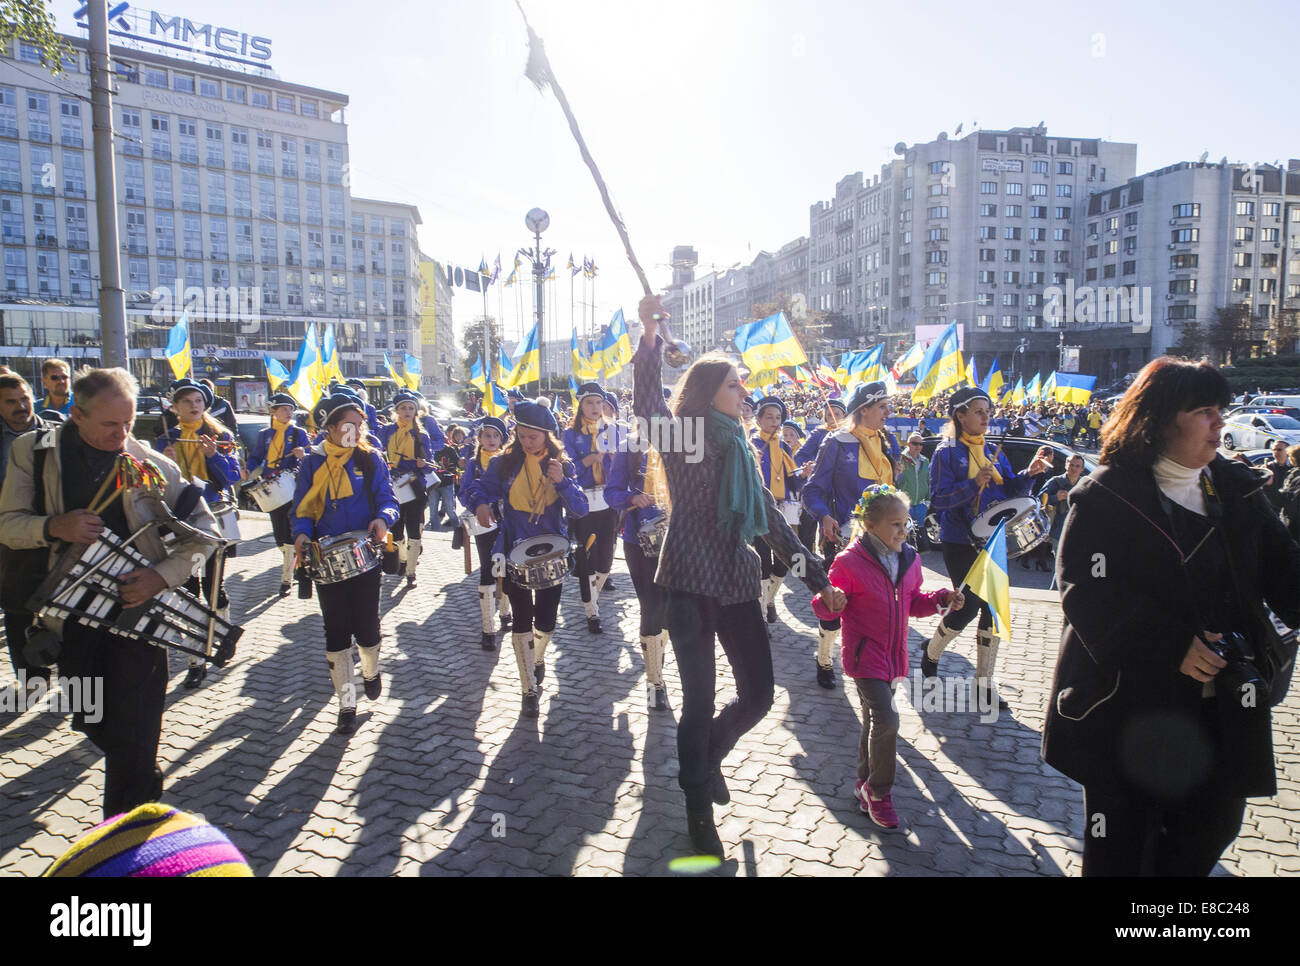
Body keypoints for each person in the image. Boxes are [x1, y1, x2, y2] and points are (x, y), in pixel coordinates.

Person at [1043, 356, 1300, 876]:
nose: (1219, 423)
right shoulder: (1105, 496)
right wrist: (1171, 646)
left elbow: (1284, 571)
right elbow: (1087, 593)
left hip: (1225, 709)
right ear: (1159, 420)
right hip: (1133, 713)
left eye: (1220, 410)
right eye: (1204, 411)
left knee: (1208, 832)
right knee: (1122, 852)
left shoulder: (1235, 487)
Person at [633, 294, 842, 859]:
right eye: (734, 385)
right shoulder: (687, 437)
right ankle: (696, 805)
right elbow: (648, 402)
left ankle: (710, 757)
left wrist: (815, 576)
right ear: (707, 392)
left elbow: (770, 519)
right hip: (687, 584)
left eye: (743, 387)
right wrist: (649, 331)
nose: (745, 394)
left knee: (759, 695)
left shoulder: (743, 450)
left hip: (736, 582)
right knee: (697, 703)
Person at [0, 367, 220, 820]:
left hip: (138, 622)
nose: (121, 435)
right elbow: (7, 524)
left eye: (129, 423)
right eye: (109, 425)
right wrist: (51, 527)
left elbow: (206, 537)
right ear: (76, 414)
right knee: (94, 720)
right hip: (69, 622)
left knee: (136, 740)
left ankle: (127, 838)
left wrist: (161, 577)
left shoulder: (155, 466)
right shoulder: (35, 454)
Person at [810, 485, 962, 828]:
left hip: (895, 659)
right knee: (888, 721)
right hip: (865, 660)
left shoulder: (911, 559)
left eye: (905, 523)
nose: (903, 530)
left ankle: (863, 784)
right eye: (895, 524)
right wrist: (830, 601)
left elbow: (913, 603)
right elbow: (826, 602)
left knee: (874, 722)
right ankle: (880, 793)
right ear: (870, 524)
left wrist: (941, 598)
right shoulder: (848, 562)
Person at [921, 386, 1052, 710]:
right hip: (959, 540)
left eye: (988, 411)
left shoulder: (993, 449)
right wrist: (971, 484)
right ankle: (930, 654)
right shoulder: (946, 452)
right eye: (979, 411)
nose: (986, 417)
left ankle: (984, 684)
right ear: (960, 414)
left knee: (993, 610)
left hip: (992, 543)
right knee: (965, 607)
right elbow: (938, 499)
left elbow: (1010, 488)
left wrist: (1029, 474)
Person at [464, 400, 588, 718]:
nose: (526, 442)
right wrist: (480, 503)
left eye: (533, 436)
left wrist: (563, 482)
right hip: (512, 549)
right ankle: (528, 688)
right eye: (521, 435)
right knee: (521, 618)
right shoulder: (502, 464)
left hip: (552, 552)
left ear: (548, 435)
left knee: (546, 621)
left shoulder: (562, 463)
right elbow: (477, 489)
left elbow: (580, 509)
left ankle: (537, 657)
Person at [292, 392, 399, 735]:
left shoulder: (371, 459)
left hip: (364, 554)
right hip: (326, 559)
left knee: (367, 627)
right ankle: (346, 702)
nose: (355, 430)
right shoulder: (311, 462)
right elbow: (302, 509)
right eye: (347, 425)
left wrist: (383, 518)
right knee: (336, 632)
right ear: (332, 429)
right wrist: (300, 535)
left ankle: (370, 671)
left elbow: (388, 498)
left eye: (359, 424)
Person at [802, 380, 900, 689]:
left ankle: (869, 667)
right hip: (843, 539)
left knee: (876, 607)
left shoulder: (887, 442)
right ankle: (824, 658)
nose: (889, 412)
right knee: (835, 604)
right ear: (865, 409)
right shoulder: (837, 441)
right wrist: (825, 516)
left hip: (883, 543)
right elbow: (812, 490)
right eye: (883, 407)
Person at [155, 377, 240, 689]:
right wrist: (164, 463)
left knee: (214, 585)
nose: (193, 407)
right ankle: (196, 659)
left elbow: (233, 476)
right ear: (175, 407)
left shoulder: (220, 435)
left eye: (198, 402)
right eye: (186, 402)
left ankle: (225, 634)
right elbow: (152, 484)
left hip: (214, 518)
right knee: (189, 588)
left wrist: (213, 456)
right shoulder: (167, 436)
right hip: (181, 521)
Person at [605, 424, 670, 710]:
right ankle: (654, 680)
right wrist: (632, 497)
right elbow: (612, 492)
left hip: (674, 538)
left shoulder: (680, 446)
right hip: (638, 539)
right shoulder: (628, 448)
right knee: (650, 604)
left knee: (670, 605)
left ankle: (656, 657)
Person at [0, 373, 53, 691]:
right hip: (10, 538)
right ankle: (33, 680)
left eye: (24, 399)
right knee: (17, 606)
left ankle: (73, 670)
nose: (21, 407)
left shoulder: (52, 432)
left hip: (52, 533)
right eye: (11, 402)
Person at [562, 382, 618, 634]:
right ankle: (591, 610)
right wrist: (589, 459)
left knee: (606, 558)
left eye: (599, 403)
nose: (595, 408)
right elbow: (567, 468)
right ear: (580, 405)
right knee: (585, 556)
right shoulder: (570, 434)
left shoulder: (612, 430)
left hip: (608, 499)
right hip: (582, 500)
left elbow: (623, 466)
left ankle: (594, 592)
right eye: (589, 403)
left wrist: (617, 459)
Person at [244, 392, 310, 596]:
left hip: (291, 487)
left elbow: (309, 459)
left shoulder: (299, 433)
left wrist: (303, 455)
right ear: (273, 412)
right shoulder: (265, 434)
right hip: (272, 487)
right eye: (283, 409)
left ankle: (286, 580)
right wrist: (248, 468)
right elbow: (256, 456)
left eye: (290, 409)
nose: (288, 412)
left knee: (292, 533)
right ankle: (293, 564)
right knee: (279, 535)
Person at [458, 415, 512, 649]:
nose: (491, 439)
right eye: (487, 435)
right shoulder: (474, 464)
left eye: (496, 436)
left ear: (502, 439)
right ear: (479, 438)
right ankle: (487, 628)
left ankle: (505, 612)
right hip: (484, 523)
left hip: (507, 521)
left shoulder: (508, 461)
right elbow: (465, 491)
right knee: (488, 569)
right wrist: (479, 505)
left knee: (507, 567)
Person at [376, 389, 434, 589]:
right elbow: (377, 454)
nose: (407, 411)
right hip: (393, 487)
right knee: (397, 530)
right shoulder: (386, 431)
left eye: (411, 408)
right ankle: (401, 560)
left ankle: (411, 571)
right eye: (403, 408)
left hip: (414, 486)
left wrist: (422, 464)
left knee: (414, 530)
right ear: (396, 411)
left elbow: (429, 464)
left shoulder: (421, 435)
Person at [750, 396, 799, 624]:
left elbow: (793, 481)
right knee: (762, 561)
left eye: (778, 417)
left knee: (783, 561)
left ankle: (769, 599)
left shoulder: (783, 446)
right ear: (758, 420)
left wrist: (804, 475)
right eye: (769, 417)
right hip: (758, 509)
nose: (774, 421)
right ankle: (760, 613)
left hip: (782, 509)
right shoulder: (750, 444)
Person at [897, 432, 931, 550]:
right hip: (905, 506)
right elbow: (895, 481)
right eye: (915, 443)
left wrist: (927, 502)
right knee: (905, 540)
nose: (918, 446)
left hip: (921, 506)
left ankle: (916, 564)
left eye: (921, 444)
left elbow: (928, 480)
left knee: (920, 544)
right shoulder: (900, 459)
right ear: (908, 444)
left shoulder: (925, 461)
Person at [430, 426, 465, 527]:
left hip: (447, 483)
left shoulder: (449, 449)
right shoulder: (428, 449)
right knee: (433, 511)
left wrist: (463, 462)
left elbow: (459, 464)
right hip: (433, 484)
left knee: (450, 509)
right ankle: (435, 531)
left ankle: (457, 528)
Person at [1262, 439, 1290, 510]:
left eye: (1279, 449)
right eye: (1274, 450)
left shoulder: (1295, 467)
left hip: (1289, 508)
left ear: (1287, 451)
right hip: (1273, 508)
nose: (1276, 452)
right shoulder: (1267, 468)